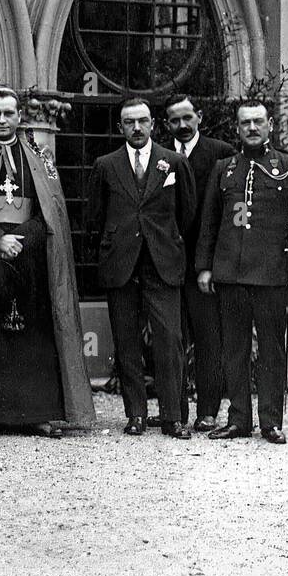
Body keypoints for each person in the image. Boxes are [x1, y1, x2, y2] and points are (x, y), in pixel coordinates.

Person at [0, 88, 93, 436]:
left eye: (8, 113)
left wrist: (21, 239)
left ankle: (35, 413)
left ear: (18, 116)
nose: (2, 120)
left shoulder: (39, 160)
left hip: (30, 258)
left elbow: (50, 213)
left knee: (31, 339)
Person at [194, 101, 288, 445]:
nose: (252, 128)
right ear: (237, 128)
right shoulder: (225, 169)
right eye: (245, 123)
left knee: (271, 348)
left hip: (271, 273)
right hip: (230, 274)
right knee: (233, 348)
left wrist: (283, 237)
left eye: (258, 122)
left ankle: (270, 421)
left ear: (270, 126)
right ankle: (238, 419)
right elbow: (209, 222)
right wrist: (205, 267)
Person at [87, 97, 196, 438]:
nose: (137, 128)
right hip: (122, 266)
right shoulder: (106, 165)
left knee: (169, 340)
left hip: (162, 264)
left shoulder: (173, 162)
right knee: (127, 343)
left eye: (143, 121)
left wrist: (168, 245)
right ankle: (135, 414)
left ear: (153, 124)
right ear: (120, 127)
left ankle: (172, 416)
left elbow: (187, 215)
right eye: (129, 122)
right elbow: (94, 217)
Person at [163, 93, 234, 431]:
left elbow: (226, 214)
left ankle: (208, 410)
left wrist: (210, 263)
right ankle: (174, 412)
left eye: (187, 118)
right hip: (168, 264)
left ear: (200, 118)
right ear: (167, 124)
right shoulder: (159, 158)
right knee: (171, 338)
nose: (182, 125)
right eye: (175, 120)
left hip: (204, 266)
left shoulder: (221, 153)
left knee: (208, 338)